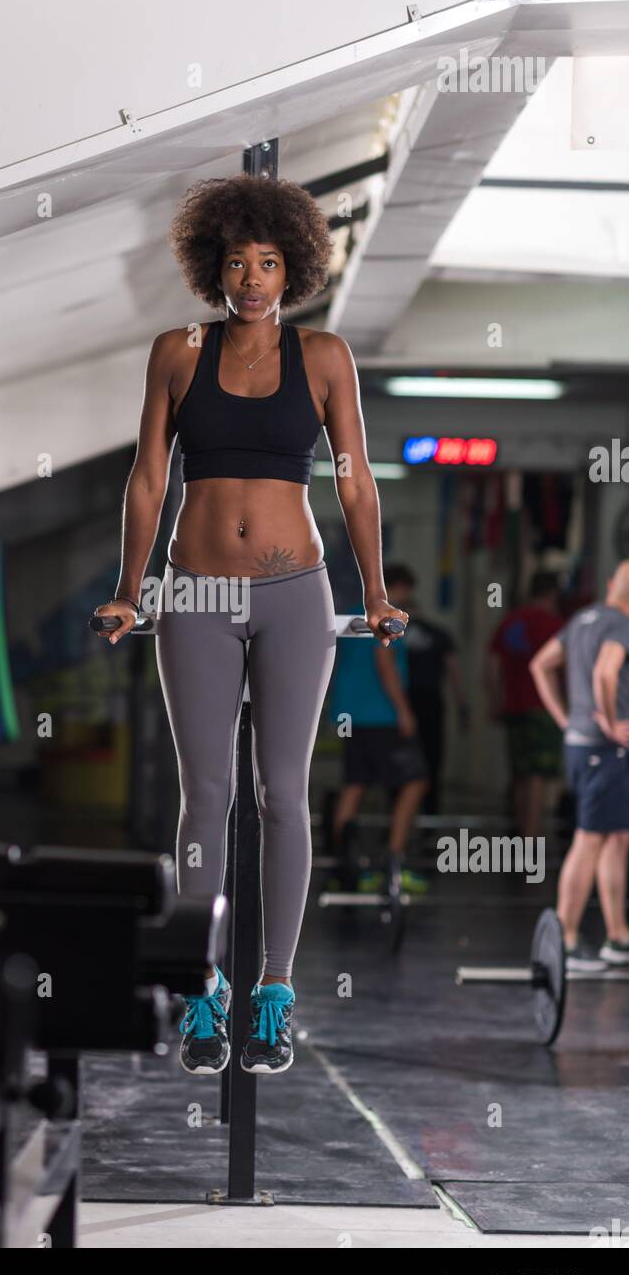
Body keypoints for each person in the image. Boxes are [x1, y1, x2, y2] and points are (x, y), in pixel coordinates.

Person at [91, 174, 408, 1075]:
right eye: (238, 262)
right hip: (193, 592)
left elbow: (352, 479)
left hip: (293, 591)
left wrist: (376, 592)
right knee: (205, 797)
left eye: (269, 263)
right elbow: (149, 478)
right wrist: (130, 586)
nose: (254, 278)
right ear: (213, 269)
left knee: (279, 793)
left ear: (292, 269)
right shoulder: (176, 353)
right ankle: (203, 995)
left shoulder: (325, 357)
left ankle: (272, 990)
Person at [529, 562, 629, 970]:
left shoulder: (583, 619)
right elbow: (607, 672)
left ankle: (618, 935)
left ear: (610, 585)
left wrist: (565, 720)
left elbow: (540, 664)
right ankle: (566, 942)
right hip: (603, 749)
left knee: (615, 836)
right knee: (590, 839)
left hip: (580, 745)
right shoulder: (622, 624)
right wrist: (608, 719)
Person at [328, 623, 430, 895]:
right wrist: (404, 710)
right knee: (415, 780)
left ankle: (344, 867)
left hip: (350, 713)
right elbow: (384, 662)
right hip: (381, 714)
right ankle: (394, 862)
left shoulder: (351, 614)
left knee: (355, 783)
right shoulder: (387, 616)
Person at [381, 563, 468, 816]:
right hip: (428, 700)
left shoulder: (387, 631)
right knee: (430, 761)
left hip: (401, 700)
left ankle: (396, 816)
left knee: (399, 762)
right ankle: (429, 814)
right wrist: (462, 704)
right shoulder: (437, 633)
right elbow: (453, 672)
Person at [488, 571, 564, 840]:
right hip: (544, 708)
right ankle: (531, 839)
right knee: (537, 776)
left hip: (514, 706)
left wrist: (496, 700)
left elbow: (493, 666)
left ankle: (520, 833)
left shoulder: (510, 622)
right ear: (553, 594)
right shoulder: (554, 625)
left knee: (519, 773)